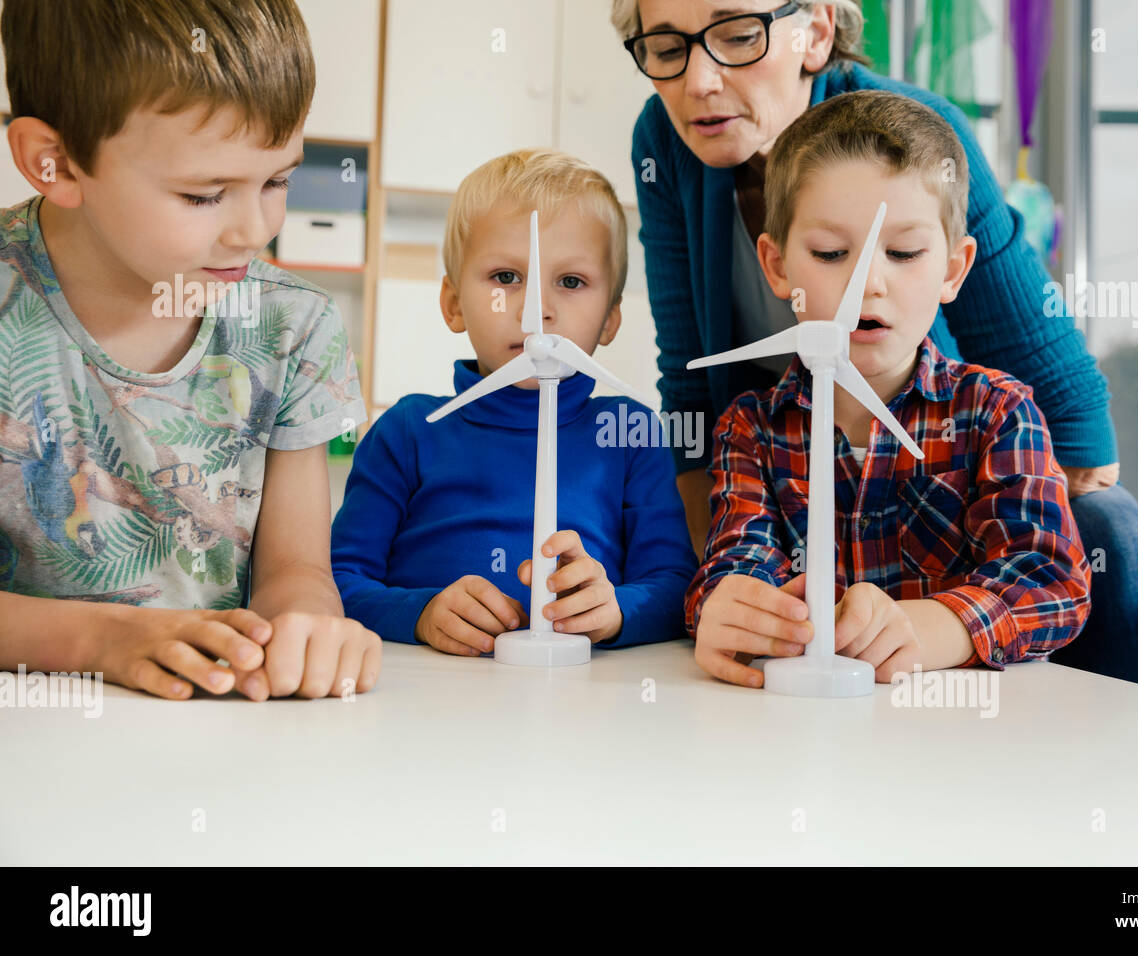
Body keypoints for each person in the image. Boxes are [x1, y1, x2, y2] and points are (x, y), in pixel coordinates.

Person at [614, 0, 1138, 689]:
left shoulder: (918, 135)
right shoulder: (666, 140)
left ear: (816, 31)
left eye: (736, 35)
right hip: (793, 471)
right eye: (667, 47)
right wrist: (719, 591)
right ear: (776, 260)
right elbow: (689, 375)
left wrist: (971, 580)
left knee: (1105, 527)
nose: (698, 80)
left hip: (937, 463)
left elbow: (1058, 399)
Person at [0, 0, 381, 700]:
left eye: (278, 180)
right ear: (52, 162)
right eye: (205, 194)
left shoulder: (293, 326)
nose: (253, 230)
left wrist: (305, 625)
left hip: (220, 742)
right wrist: (105, 641)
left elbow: (295, 572)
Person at [688, 90, 1091, 687]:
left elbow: (1050, 580)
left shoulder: (997, 413)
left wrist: (936, 627)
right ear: (776, 266)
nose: (868, 283)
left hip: (956, 741)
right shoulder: (749, 429)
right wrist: (730, 608)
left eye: (903, 252)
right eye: (830, 253)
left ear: (953, 268)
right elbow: (737, 558)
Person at [331, 149, 697, 654]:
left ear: (611, 319)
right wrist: (418, 613)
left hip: (581, 700)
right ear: (454, 303)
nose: (535, 311)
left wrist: (615, 612)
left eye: (570, 282)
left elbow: (678, 586)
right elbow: (336, 581)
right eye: (506, 277)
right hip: (428, 695)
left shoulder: (631, 432)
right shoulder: (407, 430)